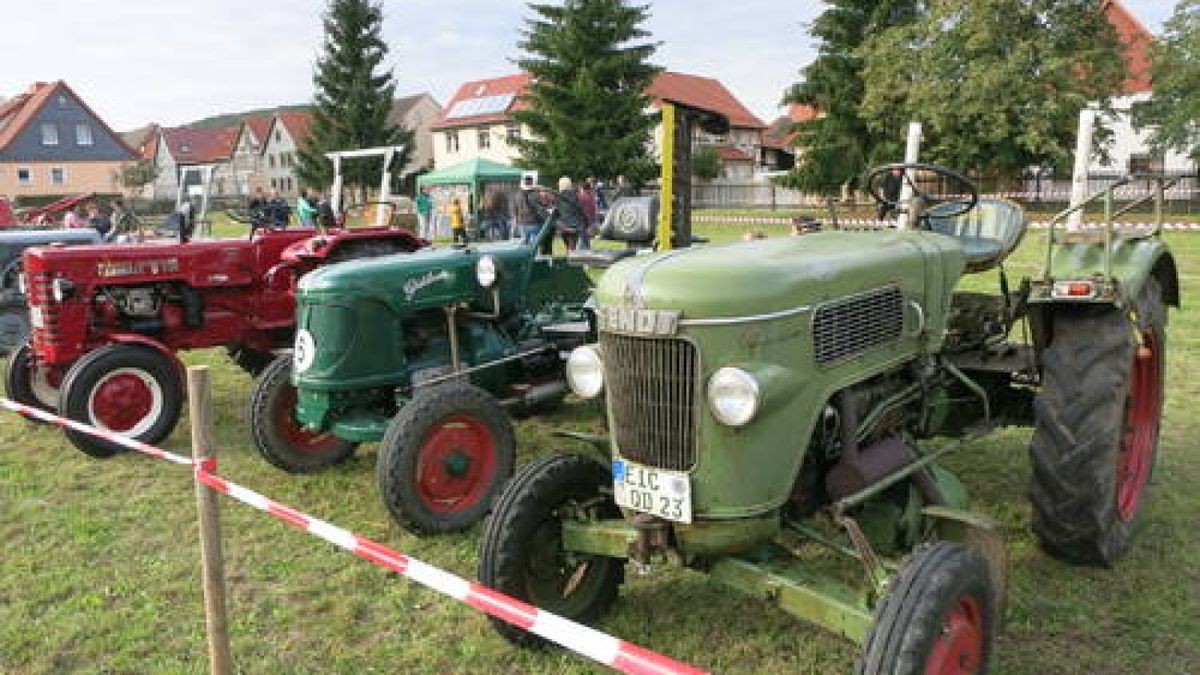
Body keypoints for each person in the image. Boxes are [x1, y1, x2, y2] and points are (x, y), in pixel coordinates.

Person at [554, 176, 585, 251]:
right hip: (575, 225)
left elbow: (556, 210)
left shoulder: (558, 197)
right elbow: (580, 209)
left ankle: (570, 255)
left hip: (563, 226)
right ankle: (571, 256)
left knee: (568, 246)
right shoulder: (575, 196)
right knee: (572, 246)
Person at [513, 175, 543, 246]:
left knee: (524, 243)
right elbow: (540, 208)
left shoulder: (517, 195)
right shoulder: (535, 194)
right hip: (534, 221)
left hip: (522, 222)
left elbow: (515, 210)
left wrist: (517, 220)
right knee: (534, 244)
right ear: (532, 183)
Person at [577, 179, 598, 250]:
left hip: (584, 220)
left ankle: (582, 251)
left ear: (583, 189)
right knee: (586, 239)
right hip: (590, 220)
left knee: (583, 238)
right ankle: (586, 249)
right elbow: (594, 209)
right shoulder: (592, 196)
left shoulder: (582, 197)